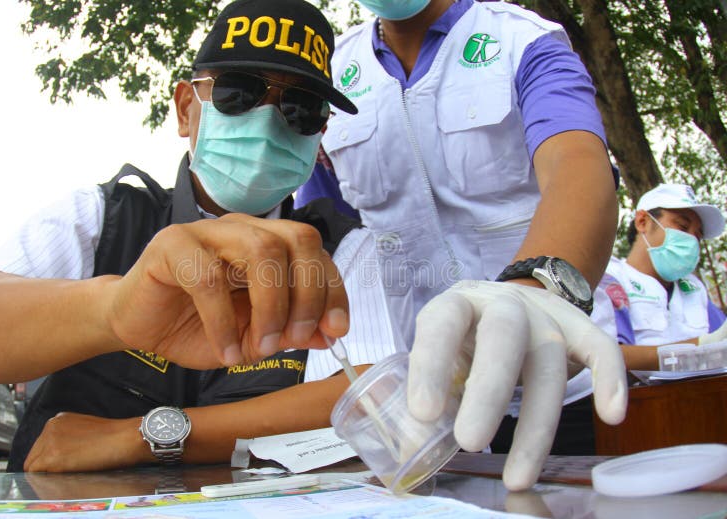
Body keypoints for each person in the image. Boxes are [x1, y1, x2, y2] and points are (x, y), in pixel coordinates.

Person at [0, 0, 400, 473]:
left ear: (318, 135)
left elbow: (375, 395)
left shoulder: (340, 251)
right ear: (185, 108)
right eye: (238, 95)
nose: (267, 124)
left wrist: (146, 436)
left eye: (299, 109)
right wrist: (114, 311)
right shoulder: (101, 218)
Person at [296, 0, 627, 489]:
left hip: (558, 377)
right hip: (428, 401)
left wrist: (534, 289)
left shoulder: (524, 41)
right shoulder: (331, 74)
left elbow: (579, 167)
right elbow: (324, 231)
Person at [592, 183, 727, 370]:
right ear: (643, 222)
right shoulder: (611, 281)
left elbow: (721, 337)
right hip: (644, 399)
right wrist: (701, 349)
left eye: (697, 235)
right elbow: (608, 356)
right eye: (682, 226)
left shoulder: (695, 289)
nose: (691, 240)